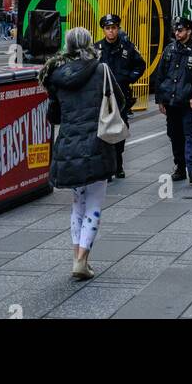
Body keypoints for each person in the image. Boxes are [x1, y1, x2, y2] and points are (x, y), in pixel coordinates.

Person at [40, 27, 116, 280]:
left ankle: (76, 257)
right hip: (97, 143)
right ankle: (83, 259)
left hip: (69, 144)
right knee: (94, 203)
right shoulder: (101, 69)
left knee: (77, 204)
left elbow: (54, 115)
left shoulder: (57, 74)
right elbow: (120, 101)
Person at [153, 17, 192, 184]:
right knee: (175, 135)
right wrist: (160, 99)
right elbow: (161, 75)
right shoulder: (169, 50)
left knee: (191, 134)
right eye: (176, 30)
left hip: (189, 103)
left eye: (180, 30)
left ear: (188, 31)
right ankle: (180, 167)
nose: (177, 33)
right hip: (172, 102)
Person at [95, 13, 146, 179]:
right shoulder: (96, 49)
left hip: (121, 96)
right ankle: (108, 167)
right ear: (103, 30)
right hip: (102, 98)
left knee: (121, 130)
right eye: (107, 28)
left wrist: (130, 78)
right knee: (103, 131)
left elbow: (140, 64)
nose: (111, 31)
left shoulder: (127, 47)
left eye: (114, 28)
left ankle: (118, 163)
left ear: (118, 28)